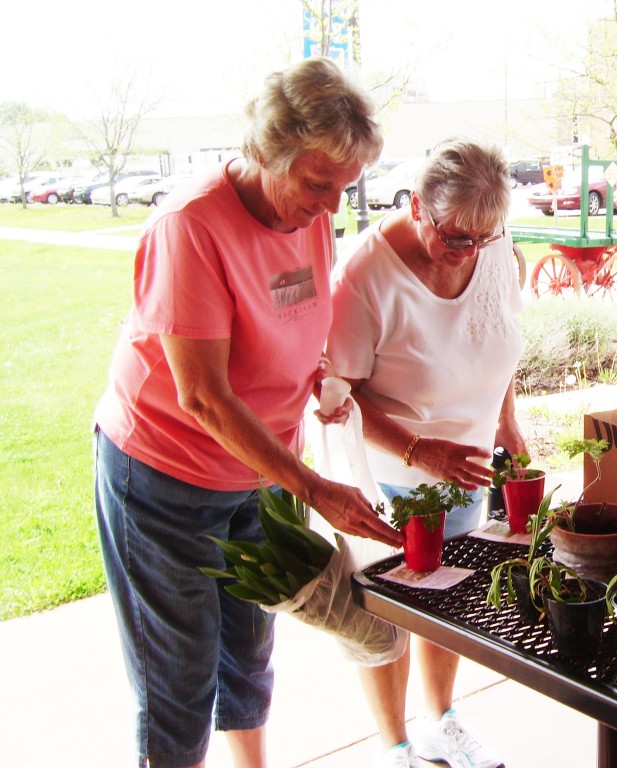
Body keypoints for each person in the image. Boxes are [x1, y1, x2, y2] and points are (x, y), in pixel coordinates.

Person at [93, 57, 402, 768]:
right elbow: (201, 393)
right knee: (177, 677)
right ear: (268, 150)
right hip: (165, 476)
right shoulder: (192, 226)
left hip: (254, 474)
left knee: (248, 650)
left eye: (344, 189)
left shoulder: (310, 215)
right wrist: (313, 487)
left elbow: (293, 317)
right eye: (317, 183)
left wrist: (317, 384)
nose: (330, 207)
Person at [325, 137, 526, 768]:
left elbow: (501, 339)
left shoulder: (493, 247)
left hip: (464, 467)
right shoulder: (364, 276)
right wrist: (418, 450)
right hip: (389, 475)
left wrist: (507, 423)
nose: (471, 251)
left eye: (484, 238)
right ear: (417, 207)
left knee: (454, 599)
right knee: (386, 622)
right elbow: (340, 398)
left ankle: (441, 720)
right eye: (456, 238)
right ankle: (395, 746)